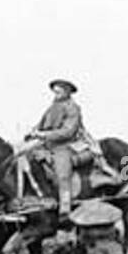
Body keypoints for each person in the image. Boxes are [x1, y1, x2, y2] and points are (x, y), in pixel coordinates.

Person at [22, 78, 97, 216]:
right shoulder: (51, 108)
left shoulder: (72, 108)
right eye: (55, 90)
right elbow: (41, 125)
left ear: (67, 92)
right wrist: (32, 133)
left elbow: (68, 132)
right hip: (48, 145)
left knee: (62, 166)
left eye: (59, 90)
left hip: (66, 145)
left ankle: (65, 207)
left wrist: (43, 135)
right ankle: (43, 196)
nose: (56, 92)